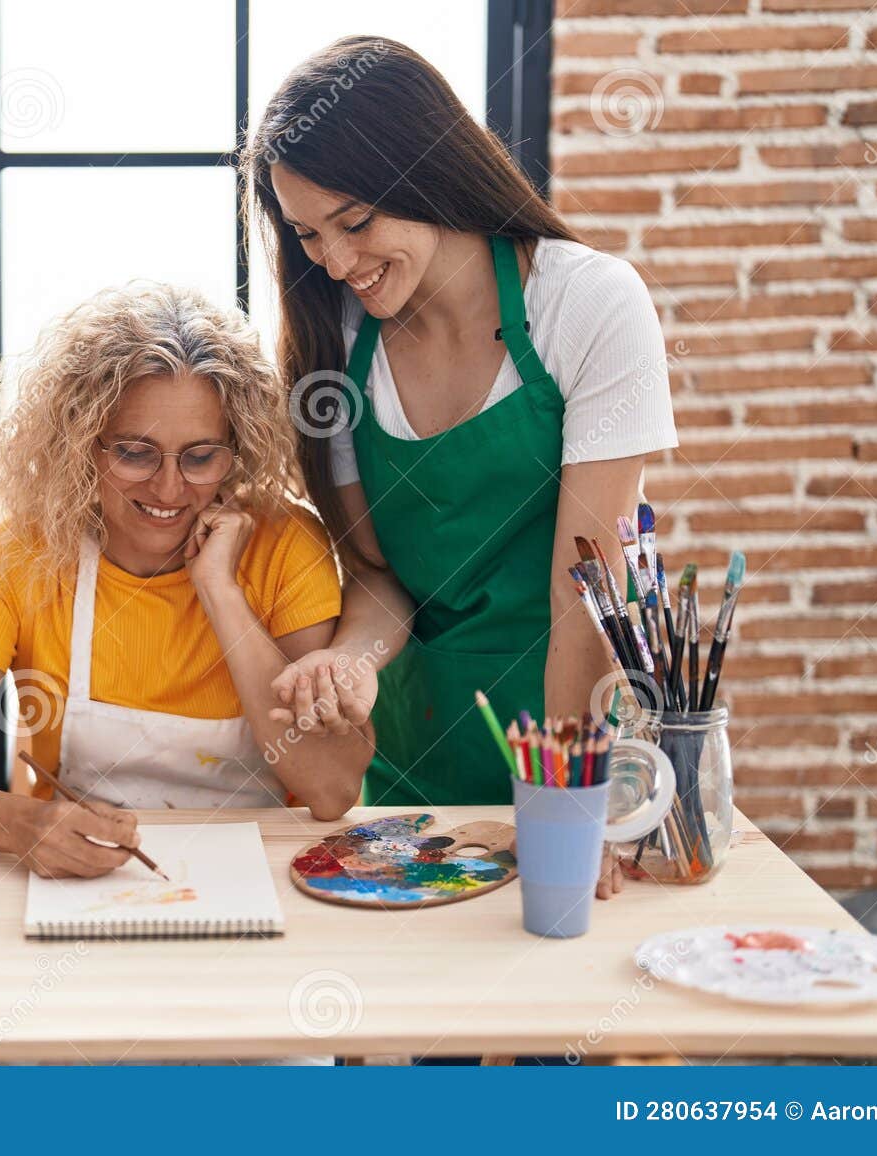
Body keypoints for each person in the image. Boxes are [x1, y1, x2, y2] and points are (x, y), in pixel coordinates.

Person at [247, 38, 676, 895]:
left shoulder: (586, 303)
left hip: (566, 735)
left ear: (430, 171)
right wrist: (352, 662)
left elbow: (586, 594)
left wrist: (569, 800)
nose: (336, 262)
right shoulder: (335, 339)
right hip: (416, 750)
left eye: (355, 222)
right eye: (307, 234)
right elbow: (378, 574)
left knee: (553, 959)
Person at [0, 284, 370, 877]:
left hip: (259, 879)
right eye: (135, 452)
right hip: (76, 880)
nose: (168, 488)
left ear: (236, 451)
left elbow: (332, 788)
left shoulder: (286, 548)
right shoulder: (24, 557)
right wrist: (23, 826)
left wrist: (220, 591)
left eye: (200, 456)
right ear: (83, 443)